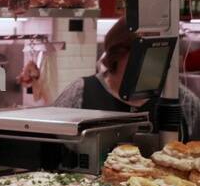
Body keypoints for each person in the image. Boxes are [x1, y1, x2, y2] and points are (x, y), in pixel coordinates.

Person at [53, 18, 200, 139]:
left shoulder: (181, 98)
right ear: (116, 55)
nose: (150, 68)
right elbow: (51, 143)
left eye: (156, 59)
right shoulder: (80, 92)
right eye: (140, 59)